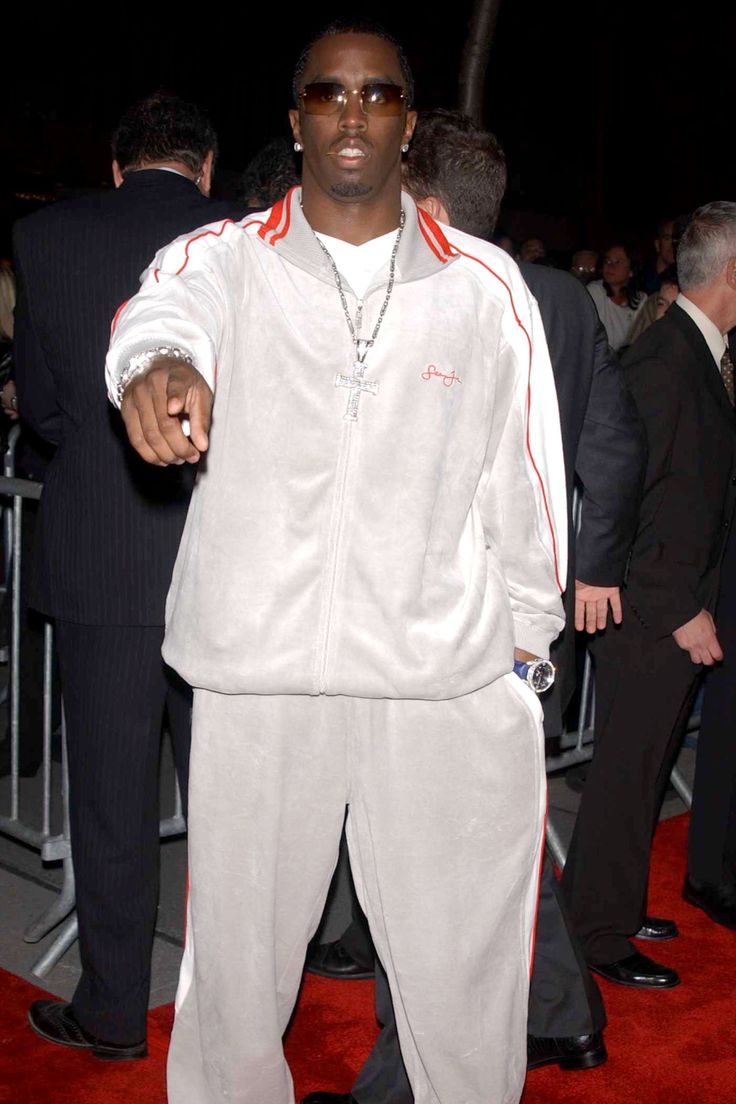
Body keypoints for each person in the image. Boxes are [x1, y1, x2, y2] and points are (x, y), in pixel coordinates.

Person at [106, 22, 567, 1104]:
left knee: (464, 977)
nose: (351, 111)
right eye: (327, 92)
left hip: (438, 688)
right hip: (261, 686)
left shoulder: (487, 289)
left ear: (407, 120)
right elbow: (158, 318)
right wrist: (159, 366)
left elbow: (527, 481)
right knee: (233, 982)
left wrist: (524, 660)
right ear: (296, 120)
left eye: (376, 94)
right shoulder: (219, 260)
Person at [303, 107, 646, 1104]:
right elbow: (613, 449)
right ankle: (567, 1019)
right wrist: (590, 571)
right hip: (524, 637)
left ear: (434, 204)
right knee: (489, 843)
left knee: (424, 873)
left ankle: (399, 1084)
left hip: (438, 638)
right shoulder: (562, 299)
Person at [14, 92, 242, 1059]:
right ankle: (237, 1014)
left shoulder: (45, 236)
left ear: (117, 165)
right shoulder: (247, 241)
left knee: (111, 802)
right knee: (236, 806)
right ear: (206, 166)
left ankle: (113, 1013)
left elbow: (51, 410)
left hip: (105, 556)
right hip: (228, 564)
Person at [561, 201, 736, 989]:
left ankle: (617, 905)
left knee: (642, 768)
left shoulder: (694, 354)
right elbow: (623, 502)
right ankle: (595, 932)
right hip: (649, 614)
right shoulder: (663, 363)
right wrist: (677, 607)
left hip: (671, 605)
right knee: (624, 776)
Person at [587, 243, 646, 350]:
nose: (610, 266)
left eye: (618, 262)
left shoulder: (641, 300)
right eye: (607, 261)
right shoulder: (594, 292)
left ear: (631, 270)